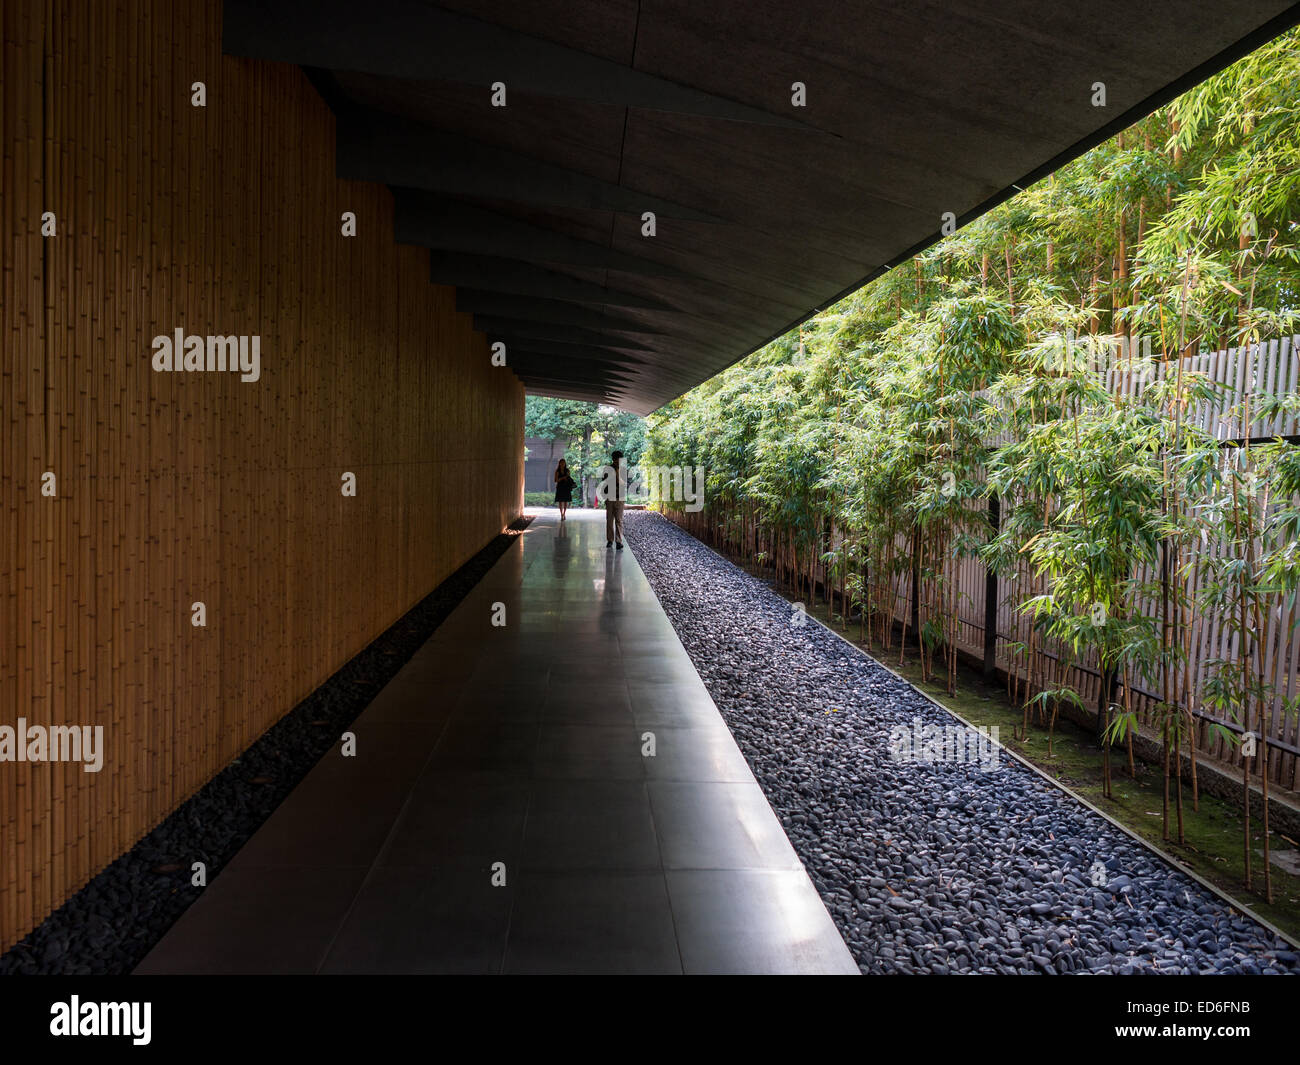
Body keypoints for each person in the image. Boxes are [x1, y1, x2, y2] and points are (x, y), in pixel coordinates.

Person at [605, 450, 626, 550]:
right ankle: (610, 540)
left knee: (619, 520)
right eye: (617, 460)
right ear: (613, 459)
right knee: (609, 520)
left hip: (620, 497)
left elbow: (623, 483)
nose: (618, 462)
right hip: (610, 497)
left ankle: (618, 541)